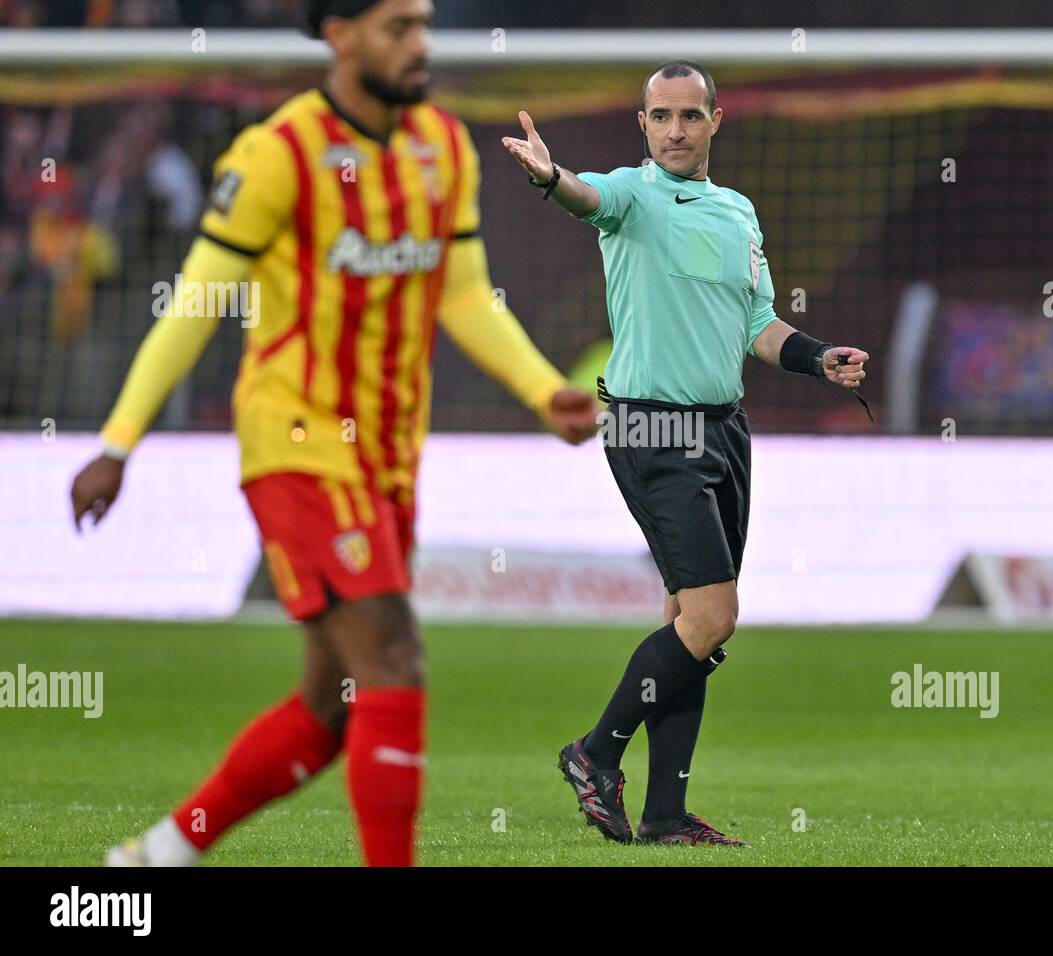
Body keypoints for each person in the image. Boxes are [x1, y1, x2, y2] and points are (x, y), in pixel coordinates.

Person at [71, 0, 598, 867]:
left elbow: (464, 293)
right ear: (337, 32)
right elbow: (197, 301)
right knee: (393, 655)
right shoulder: (278, 154)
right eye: (397, 25)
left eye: (424, 21)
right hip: (296, 443)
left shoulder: (443, 148)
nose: (420, 41)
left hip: (388, 457)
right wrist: (118, 442)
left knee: (333, 707)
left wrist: (545, 390)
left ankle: (158, 856)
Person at [502, 59, 869, 846]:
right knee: (712, 616)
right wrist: (549, 176)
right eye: (660, 116)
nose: (674, 130)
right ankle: (594, 753)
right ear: (642, 124)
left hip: (723, 430)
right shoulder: (632, 197)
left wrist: (818, 357)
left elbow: (757, 325)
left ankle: (665, 815)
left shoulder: (737, 213)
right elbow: (585, 195)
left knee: (688, 626)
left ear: (714, 121)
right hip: (652, 429)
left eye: (689, 116)